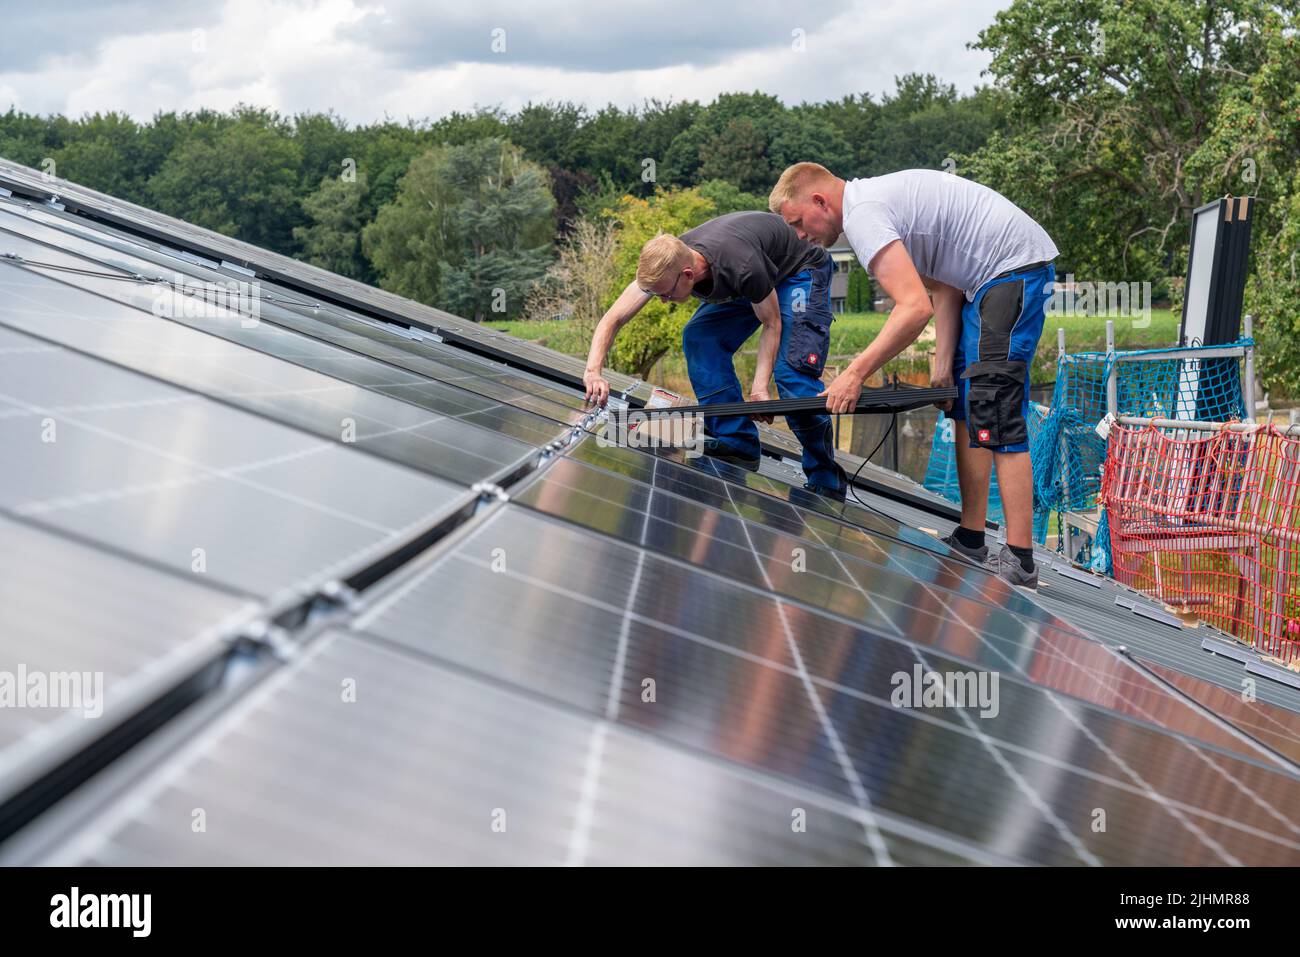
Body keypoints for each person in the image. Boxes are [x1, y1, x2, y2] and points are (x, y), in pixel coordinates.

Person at [769, 163, 1057, 588]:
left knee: (995, 404)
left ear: (819, 201)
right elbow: (944, 286)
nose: (798, 236)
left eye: (797, 223)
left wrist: (854, 373)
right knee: (965, 402)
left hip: (1013, 270)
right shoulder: (875, 207)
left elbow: (913, 308)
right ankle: (972, 536)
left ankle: (1020, 557)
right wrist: (942, 367)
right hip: (982, 282)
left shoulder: (864, 215)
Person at [582, 210, 846, 498]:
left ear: (688, 275)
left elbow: (772, 324)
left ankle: (825, 477)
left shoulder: (742, 266)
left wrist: (759, 389)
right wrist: (593, 371)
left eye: (666, 294)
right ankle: (737, 441)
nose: (663, 301)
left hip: (797, 272)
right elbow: (613, 319)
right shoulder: (665, 261)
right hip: (753, 281)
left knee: (791, 374)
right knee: (700, 337)